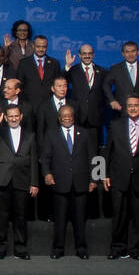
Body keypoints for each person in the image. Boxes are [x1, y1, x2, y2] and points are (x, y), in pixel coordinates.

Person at [103, 95, 139, 260]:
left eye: (136, 105)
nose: (133, 108)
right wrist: (103, 175)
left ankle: (136, 249)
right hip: (119, 177)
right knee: (119, 216)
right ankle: (117, 248)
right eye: (130, 105)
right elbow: (108, 151)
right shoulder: (116, 125)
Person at [41, 105, 97, 259]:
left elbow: (94, 157)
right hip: (59, 183)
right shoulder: (51, 135)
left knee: (80, 219)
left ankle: (81, 249)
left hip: (81, 183)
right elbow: (45, 158)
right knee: (59, 219)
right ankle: (58, 249)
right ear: (59, 118)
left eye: (69, 115)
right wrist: (47, 174)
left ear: (74, 117)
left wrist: (94, 179)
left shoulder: (85, 134)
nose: (67, 118)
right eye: (64, 116)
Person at [0, 106, 38, 260]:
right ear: (6, 117)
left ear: (21, 116)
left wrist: (34, 183)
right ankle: (0, 249)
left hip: (22, 180)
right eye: (11, 116)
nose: (14, 118)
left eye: (16, 116)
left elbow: (34, 161)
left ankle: (21, 248)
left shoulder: (30, 135)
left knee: (21, 217)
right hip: (2, 180)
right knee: (1, 217)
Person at [103, 41, 139, 118]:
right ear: (123, 54)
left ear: (138, 52)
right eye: (127, 52)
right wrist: (112, 100)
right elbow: (106, 85)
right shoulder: (115, 69)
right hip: (121, 111)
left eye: (133, 51)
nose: (130, 54)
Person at [14, 35, 61, 108]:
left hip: (49, 106)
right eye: (38, 46)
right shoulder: (24, 63)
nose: (41, 49)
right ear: (33, 46)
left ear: (47, 47)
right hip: (29, 105)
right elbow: (20, 85)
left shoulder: (54, 63)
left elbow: (58, 83)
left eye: (44, 47)